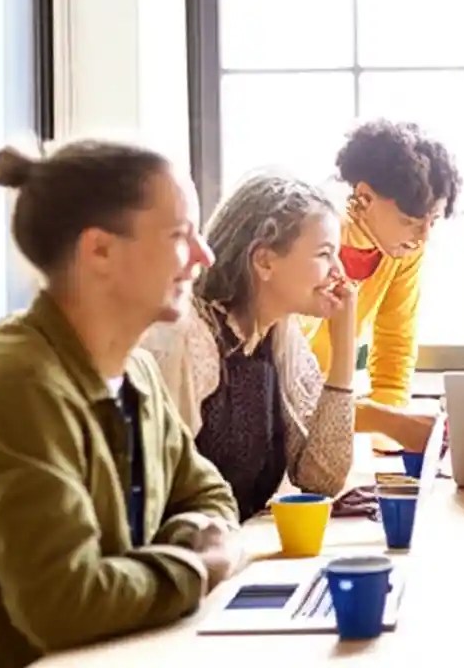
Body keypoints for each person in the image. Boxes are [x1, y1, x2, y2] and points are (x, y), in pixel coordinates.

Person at [0, 141, 243, 668]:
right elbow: (64, 604)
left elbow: (208, 495)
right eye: (179, 235)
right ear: (99, 250)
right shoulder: (12, 386)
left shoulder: (137, 372)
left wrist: (188, 540)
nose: (204, 257)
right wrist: (197, 564)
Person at [143, 174, 357, 521]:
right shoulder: (186, 338)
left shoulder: (280, 335)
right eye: (324, 254)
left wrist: (344, 347)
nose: (339, 272)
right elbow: (152, 498)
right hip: (192, 548)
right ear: (264, 262)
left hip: (235, 543)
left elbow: (321, 479)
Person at [303, 118, 462, 453]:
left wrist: (389, 436)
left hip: (329, 417)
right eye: (409, 221)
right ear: (364, 197)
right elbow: (285, 387)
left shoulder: (401, 250)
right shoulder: (308, 242)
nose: (423, 237)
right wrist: (387, 421)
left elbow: (395, 348)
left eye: (433, 221)